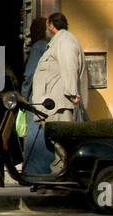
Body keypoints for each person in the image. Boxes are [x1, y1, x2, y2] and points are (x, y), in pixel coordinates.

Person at [29, 11, 89, 175]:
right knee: (59, 143)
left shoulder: (64, 41)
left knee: (63, 143)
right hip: (55, 104)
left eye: (47, 25)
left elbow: (69, 64)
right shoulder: (59, 41)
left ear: (51, 26)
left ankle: (62, 175)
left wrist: (71, 91)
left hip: (61, 104)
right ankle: (60, 174)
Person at [20, 16, 52, 174]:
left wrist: (23, 96)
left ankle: (34, 171)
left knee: (34, 133)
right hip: (50, 97)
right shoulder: (51, 45)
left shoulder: (38, 47)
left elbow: (29, 75)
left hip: (37, 97)